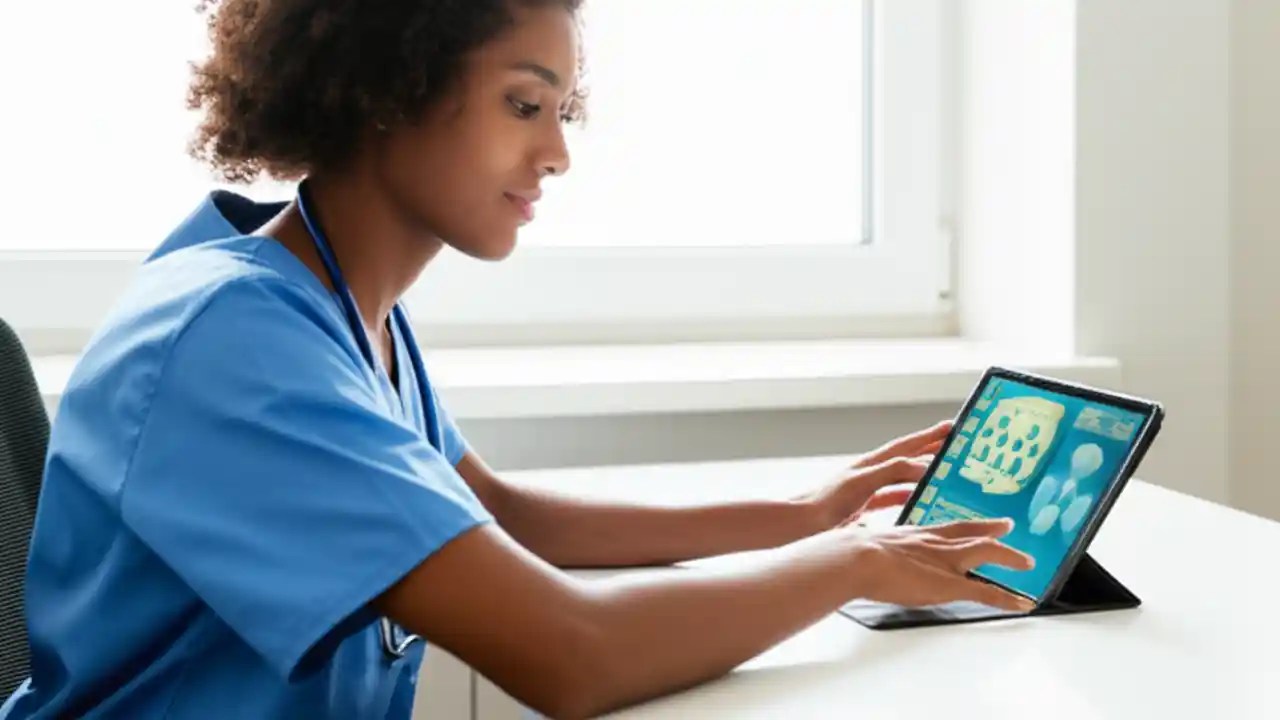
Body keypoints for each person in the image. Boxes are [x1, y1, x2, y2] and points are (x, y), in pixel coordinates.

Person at [1, 1, 1035, 718]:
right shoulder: (233, 341)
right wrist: (855, 563)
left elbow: (492, 511)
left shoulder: (338, 305)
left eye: (560, 113)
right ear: (389, 86)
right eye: (523, 105)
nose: (557, 154)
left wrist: (803, 515)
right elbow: (571, 655)